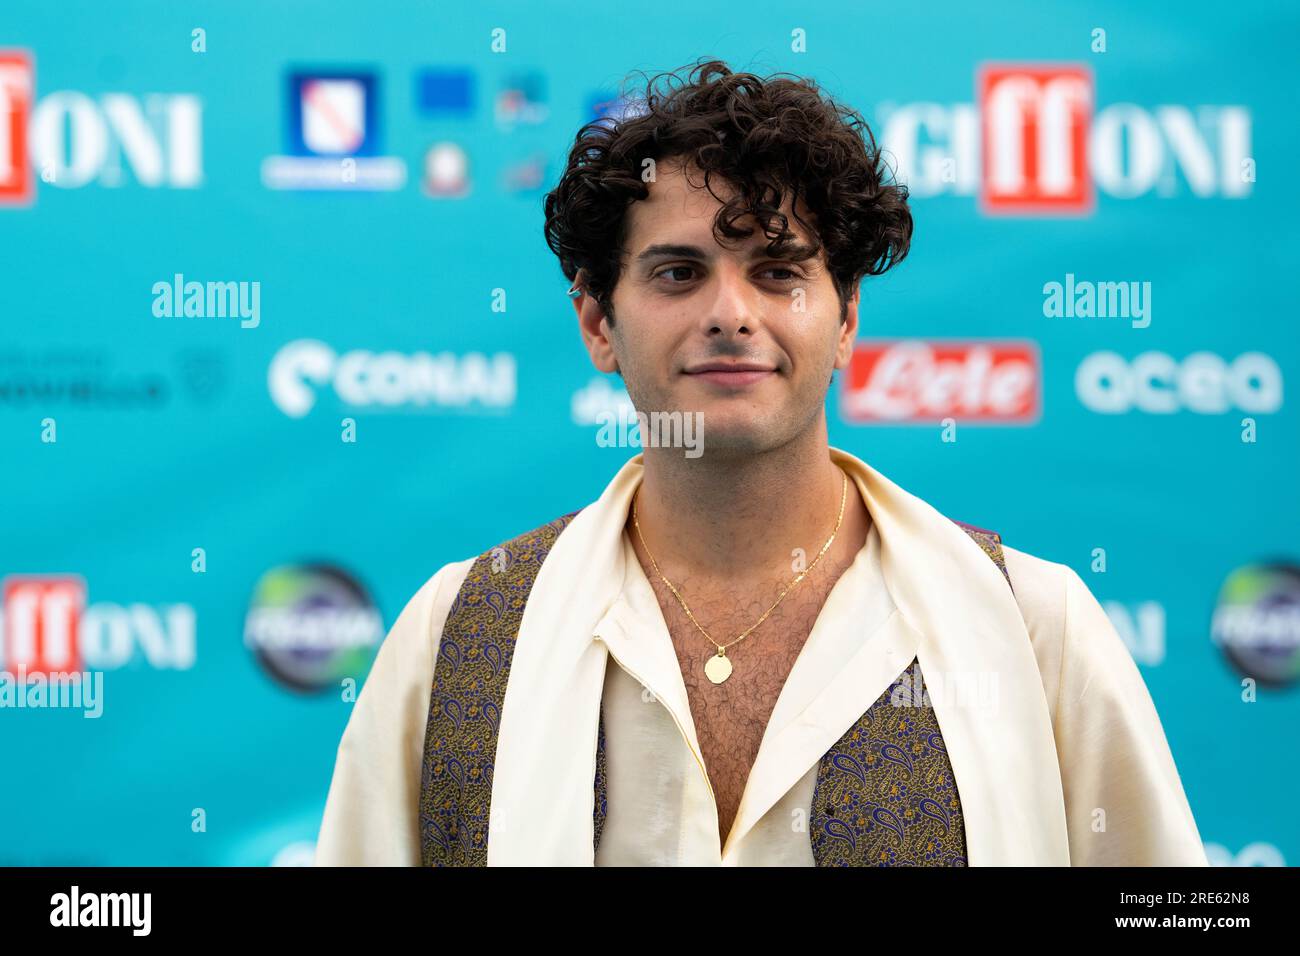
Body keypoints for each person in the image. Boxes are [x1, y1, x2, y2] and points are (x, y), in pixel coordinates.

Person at [315, 58, 1207, 866]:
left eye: (778, 271)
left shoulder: (1034, 627)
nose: (731, 313)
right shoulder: (461, 636)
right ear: (598, 324)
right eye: (677, 274)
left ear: (846, 317)